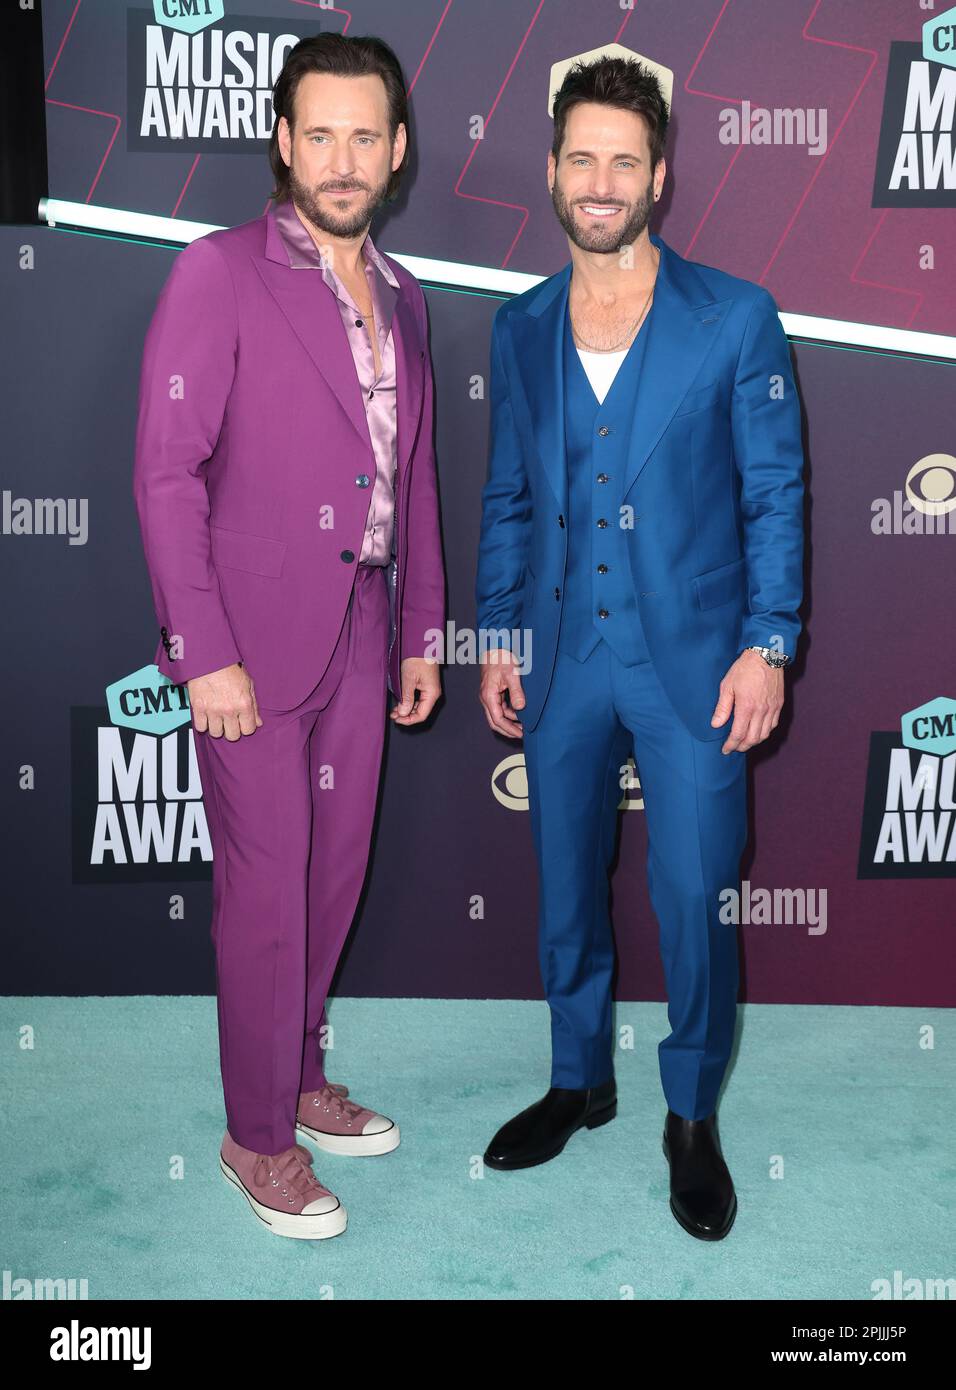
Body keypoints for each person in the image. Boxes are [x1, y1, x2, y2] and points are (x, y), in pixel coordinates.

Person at [476, 50, 804, 1240]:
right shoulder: (516, 327)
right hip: (562, 653)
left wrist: (767, 645)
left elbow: (774, 493)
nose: (600, 180)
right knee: (565, 886)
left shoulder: (735, 317)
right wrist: (497, 633)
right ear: (552, 171)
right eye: (581, 159)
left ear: (657, 176)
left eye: (624, 160)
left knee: (690, 893)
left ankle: (689, 1110)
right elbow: (506, 495)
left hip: (696, 660)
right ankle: (579, 1080)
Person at [133, 33, 444, 1240]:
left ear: (399, 149)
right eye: (318, 132)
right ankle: (254, 1135)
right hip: (249, 645)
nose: (341, 157)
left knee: (331, 875)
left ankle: (302, 1075)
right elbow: (167, 474)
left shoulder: (405, 293)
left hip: (362, 625)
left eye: (364, 134)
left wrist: (421, 627)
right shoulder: (218, 272)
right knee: (265, 893)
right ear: (281, 140)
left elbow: (410, 476)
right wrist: (203, 652)